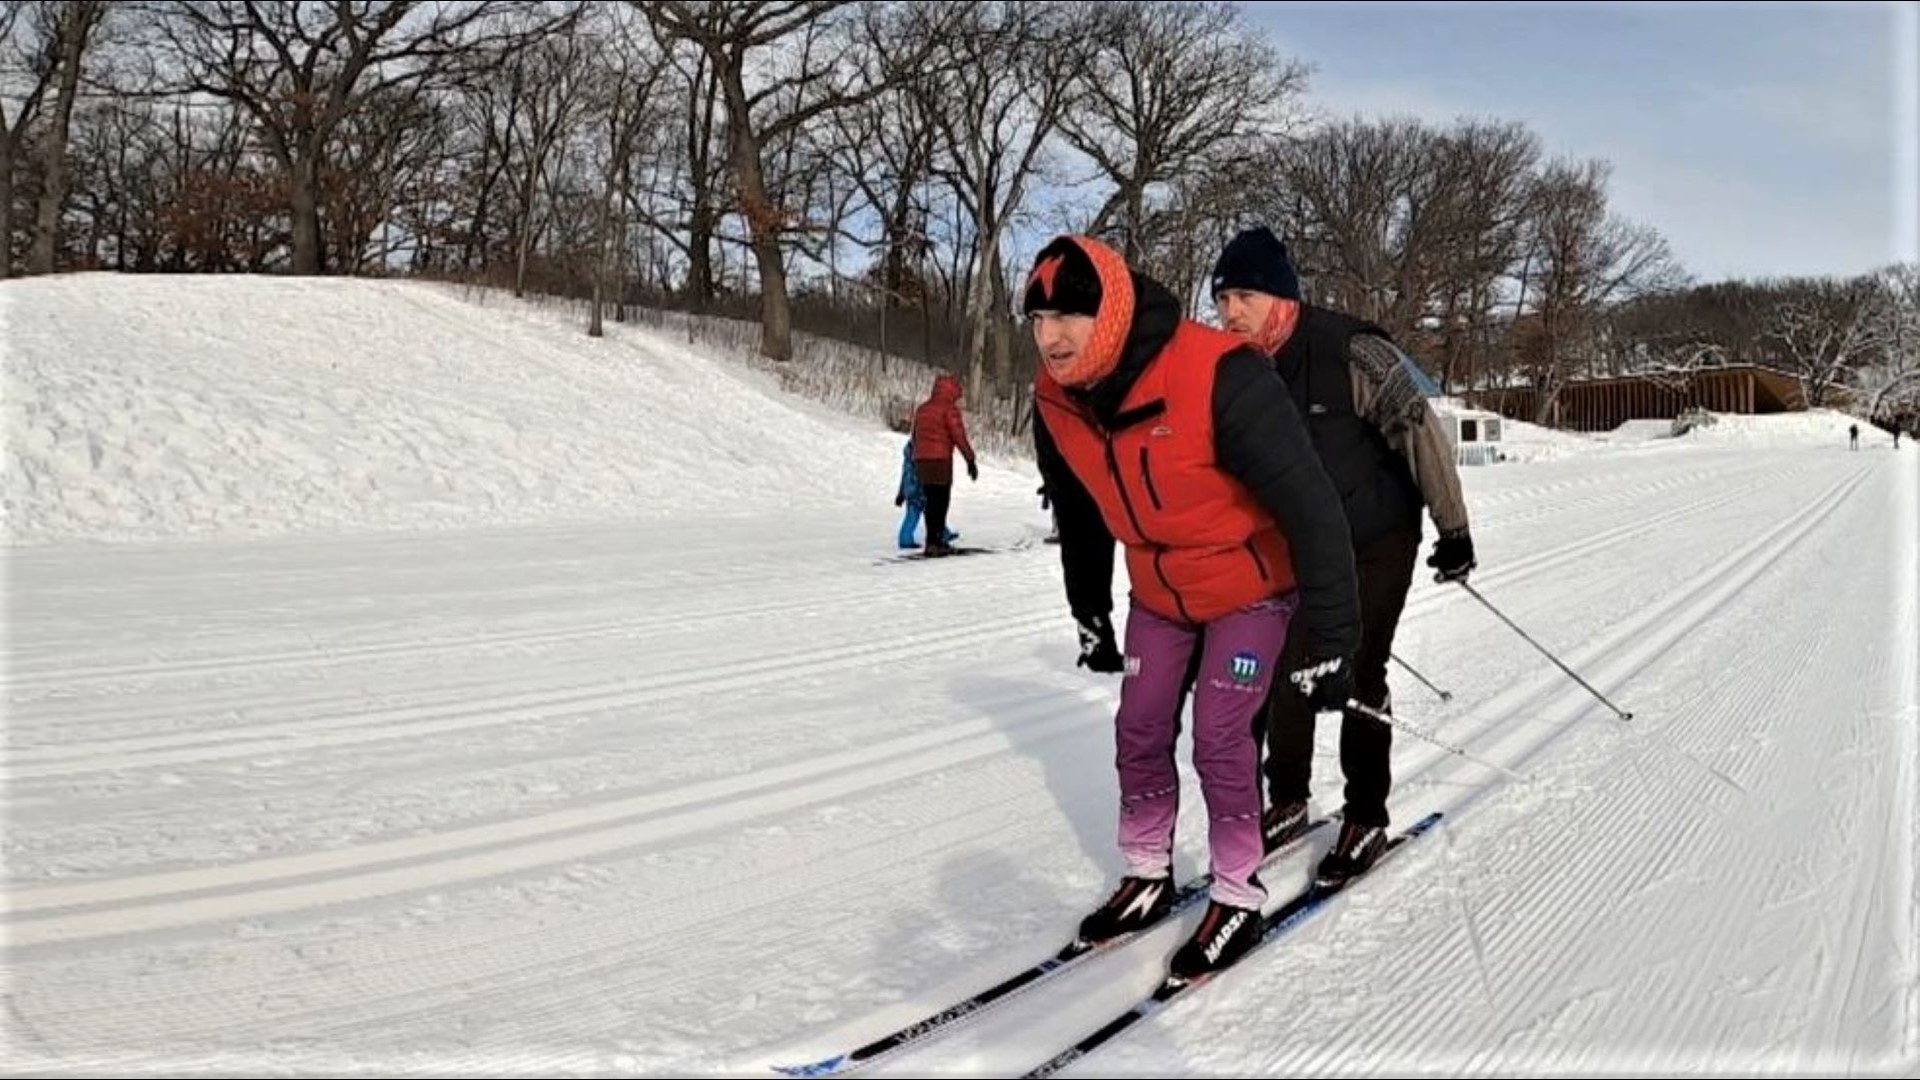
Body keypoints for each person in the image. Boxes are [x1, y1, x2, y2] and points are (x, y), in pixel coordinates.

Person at [1026, 233, 1361, 982]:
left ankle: (1238, 892)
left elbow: (1311, 504)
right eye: (1038, 319)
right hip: (1158, 592)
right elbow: (1078, 510)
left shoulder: (1220, 372)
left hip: (1250, 588)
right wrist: (1089, 609)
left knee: (1219, 734)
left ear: (1111, 312)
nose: (1051, 337)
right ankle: (1147, 871)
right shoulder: (1054, 397)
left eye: (1069, 316)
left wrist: (1335, 638)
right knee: (1140, 725)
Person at [1208, 226, 1476, 887]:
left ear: (1282, 297)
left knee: (1357, 666)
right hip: (1302, 543)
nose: (1230, 313)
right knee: (1283, 665)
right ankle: (1288, 798)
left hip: (1377, 533)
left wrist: (1454, 529)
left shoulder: (1352, 350)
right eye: (1221, 300)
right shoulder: (1236, 368)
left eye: (1243, 297)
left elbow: (1420, 432)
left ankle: (1365, 814)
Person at [910, 374, 978, 557]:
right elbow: (959, 436)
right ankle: (937, 541)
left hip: (922, 461)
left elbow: (915, 435)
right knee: (941, 501)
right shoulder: (949, 410)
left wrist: (917, 456)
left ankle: (931, 540)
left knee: (930, 500)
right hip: (940, 461)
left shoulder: (922, 409)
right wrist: (970, 460)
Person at [895, 439, 958, 549]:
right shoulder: (919, 454)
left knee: (925, 512)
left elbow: (905, 475)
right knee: (927, 512)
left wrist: (902, 492)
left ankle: (942, 533)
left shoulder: (908, 458)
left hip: (911, 489)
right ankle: (906, 540)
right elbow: (922, 472)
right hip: (919, 489)